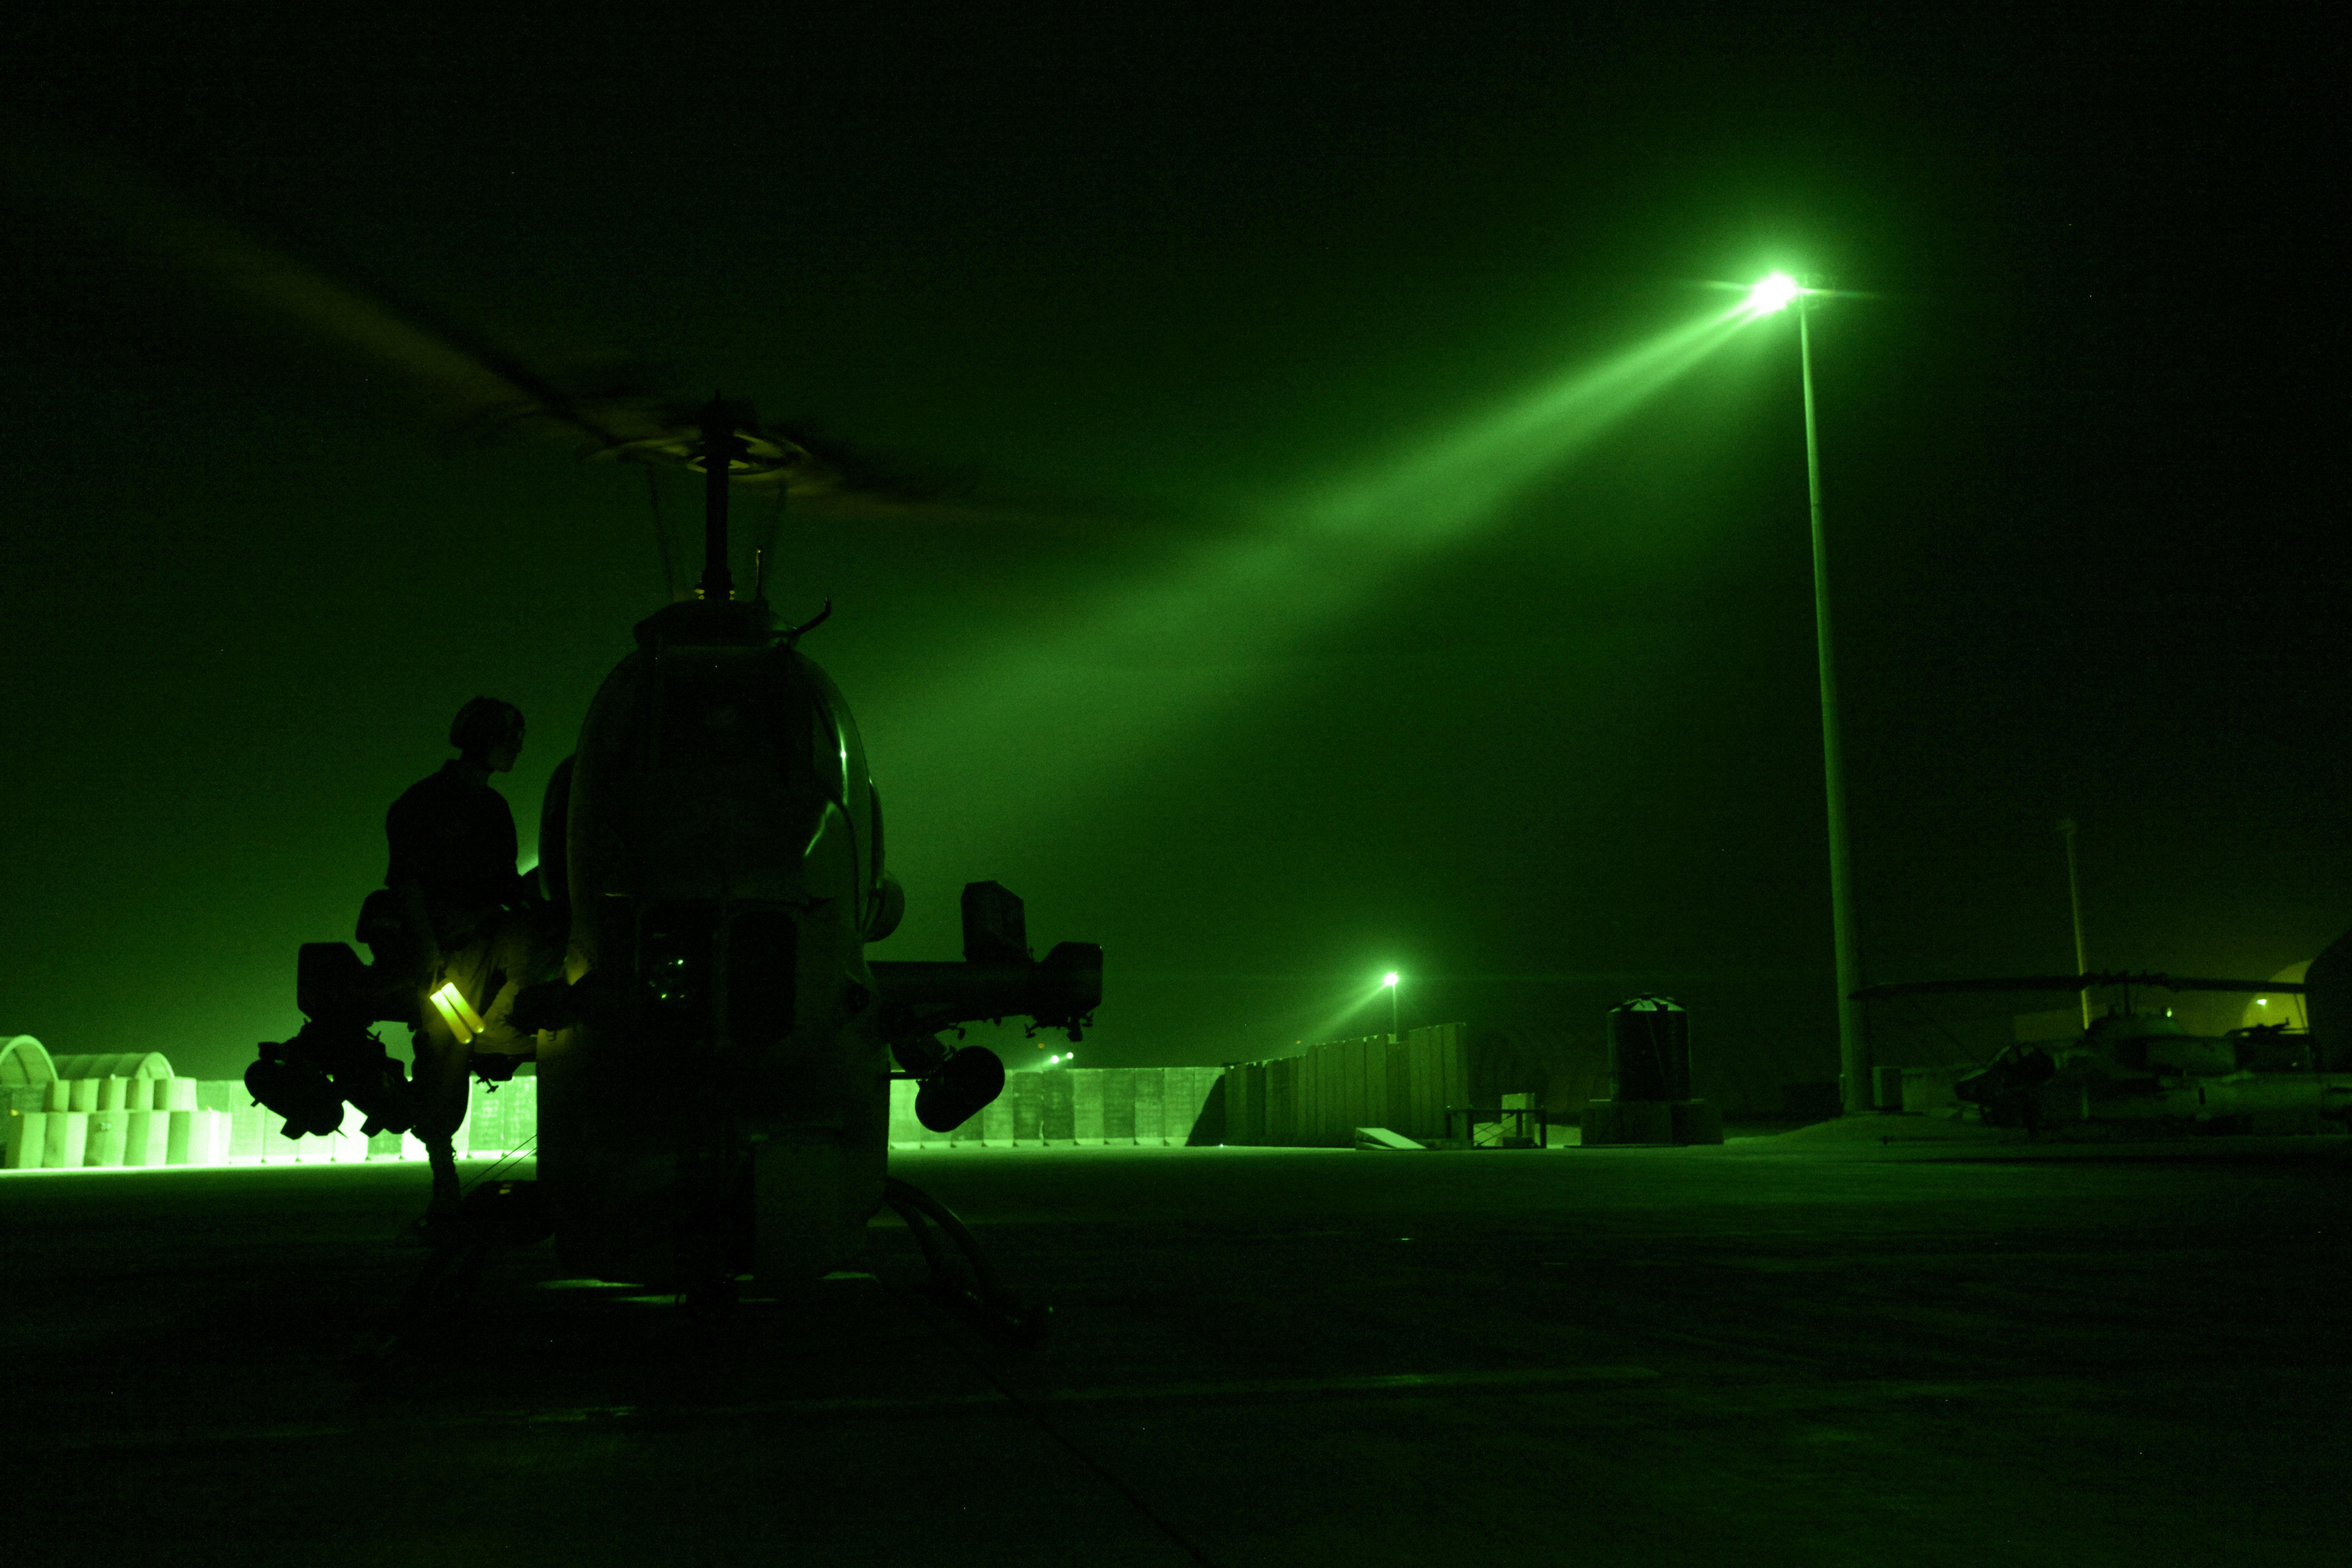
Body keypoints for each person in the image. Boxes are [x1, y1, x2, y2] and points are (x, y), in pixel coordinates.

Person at [385, 696, 554, 1223]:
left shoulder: (491, 808)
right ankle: (444, 1185)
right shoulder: (423, 804)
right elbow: (408, 884)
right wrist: (431, 954)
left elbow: (505, 886)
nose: (516, 751)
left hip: (493, 944)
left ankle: (503, 1031)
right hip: (450, 957)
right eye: (510, 740)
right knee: (446, 1053)